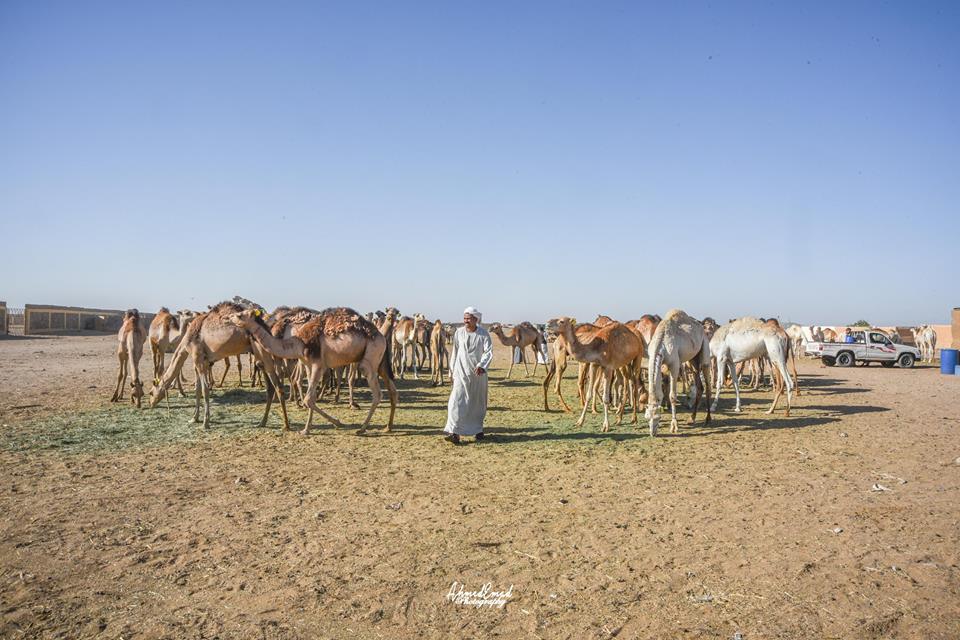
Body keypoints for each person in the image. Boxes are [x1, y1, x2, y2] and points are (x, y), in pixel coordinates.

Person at [443, 306, 494, 445]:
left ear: (475, 319)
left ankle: (478, 429)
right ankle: (454, 432)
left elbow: (488, 352)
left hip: (478, 374)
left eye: (468, 318)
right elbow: (455, 352)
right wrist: (451, 371)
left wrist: (482, 365)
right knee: (455, 401)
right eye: (464, 318)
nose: (466, 321)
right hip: (461, 372)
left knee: (477, 403)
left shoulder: (483, 334)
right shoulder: (459, 333)